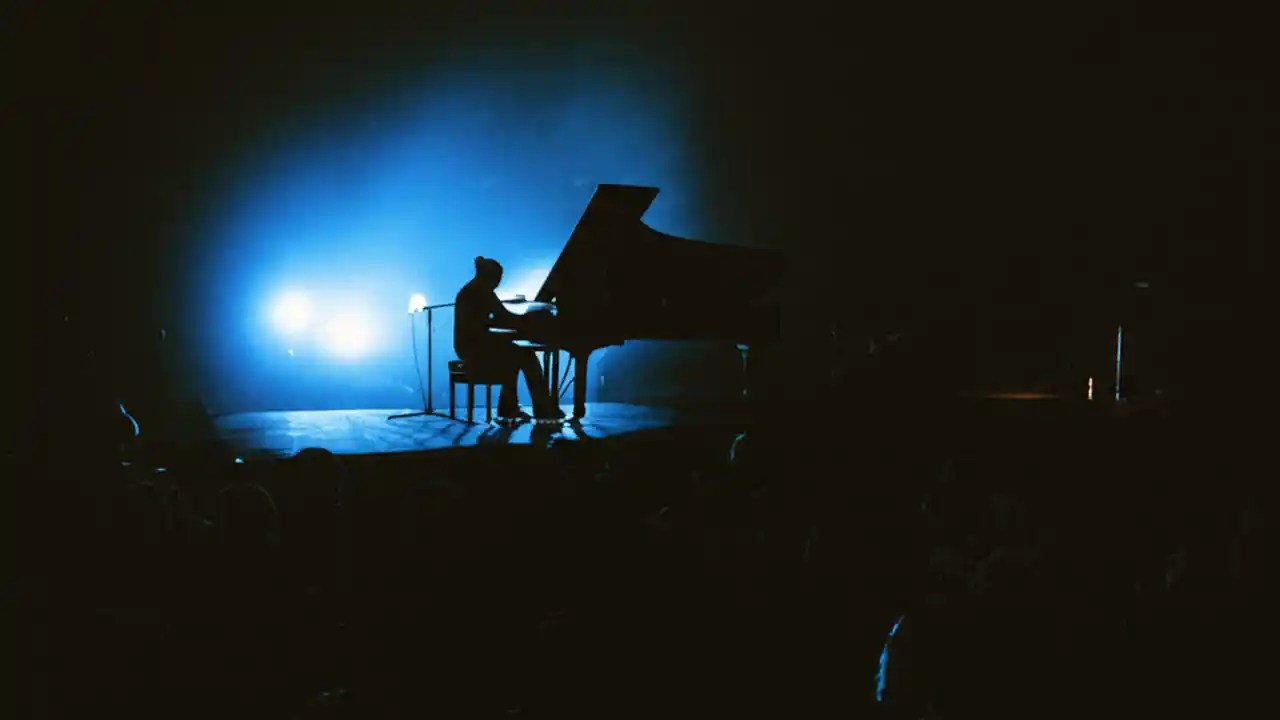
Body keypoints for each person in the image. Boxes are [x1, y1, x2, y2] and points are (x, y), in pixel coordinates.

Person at [454, 256, 563, 422]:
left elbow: (498, 318)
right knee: (524, 356)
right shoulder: (480, 292)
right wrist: (527, 324)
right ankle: (540, 407)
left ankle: (510, 407)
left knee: (515, 354)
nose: (498, 283)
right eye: (497, 279)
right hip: (472, 348)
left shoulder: (475, 290)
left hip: (471, 344)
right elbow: (503, 317)